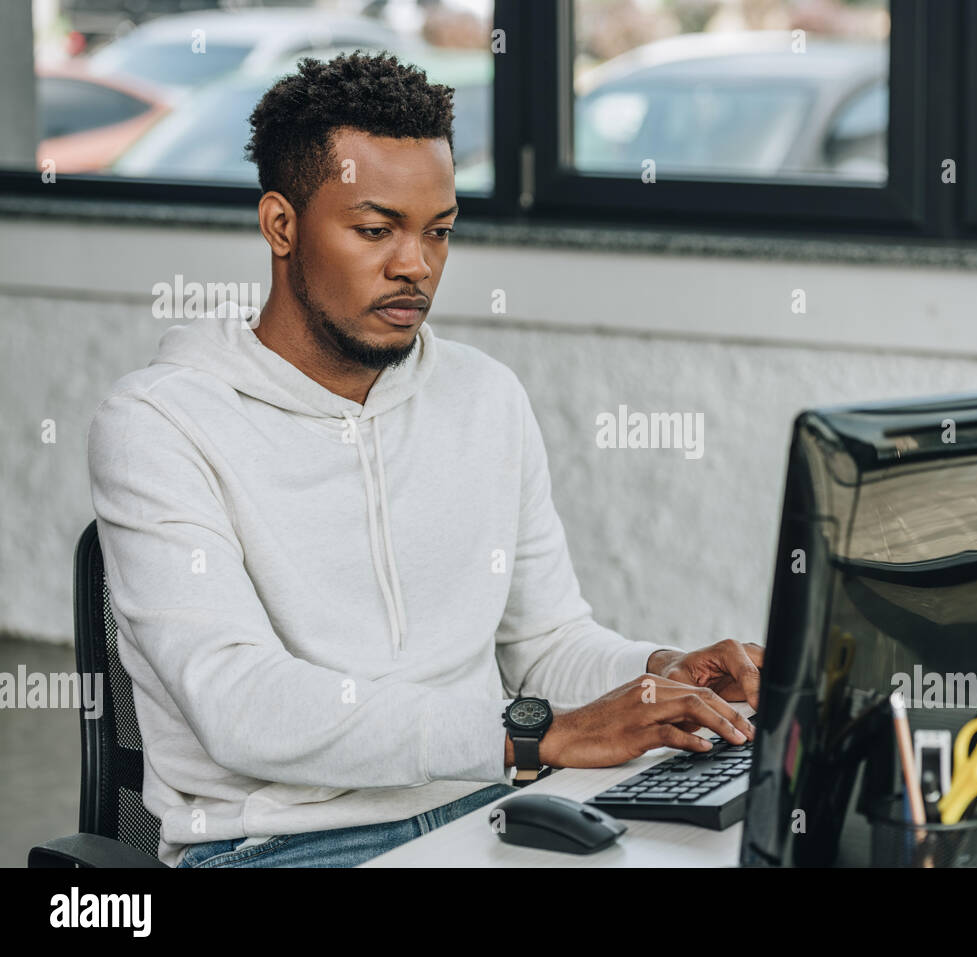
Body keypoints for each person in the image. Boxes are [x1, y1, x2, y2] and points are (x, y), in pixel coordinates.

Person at [87, 51, 762, 868]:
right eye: (376, 230)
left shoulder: (485, 396)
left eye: (438, 231)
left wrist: (656, 673)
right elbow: (242, 705)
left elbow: (545, 641)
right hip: (278, 847)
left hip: (488, 813)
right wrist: (536, 734)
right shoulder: (160, 422)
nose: (416, 264)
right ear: (281, 224)